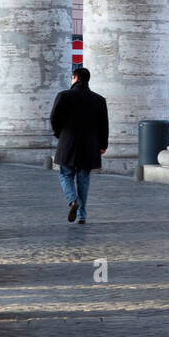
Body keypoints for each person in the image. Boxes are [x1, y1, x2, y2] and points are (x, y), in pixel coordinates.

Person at [49, 65, 109, 225]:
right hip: (90, 144)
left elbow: (54, 118)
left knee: (65, 174)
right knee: (83, 179)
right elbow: (104, 125)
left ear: (75, 77)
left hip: (68, 142)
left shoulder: (64, 95)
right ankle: (82, 215)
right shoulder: (99, 99)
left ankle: (72, 200)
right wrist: (103, 145)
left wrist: (59, 134)